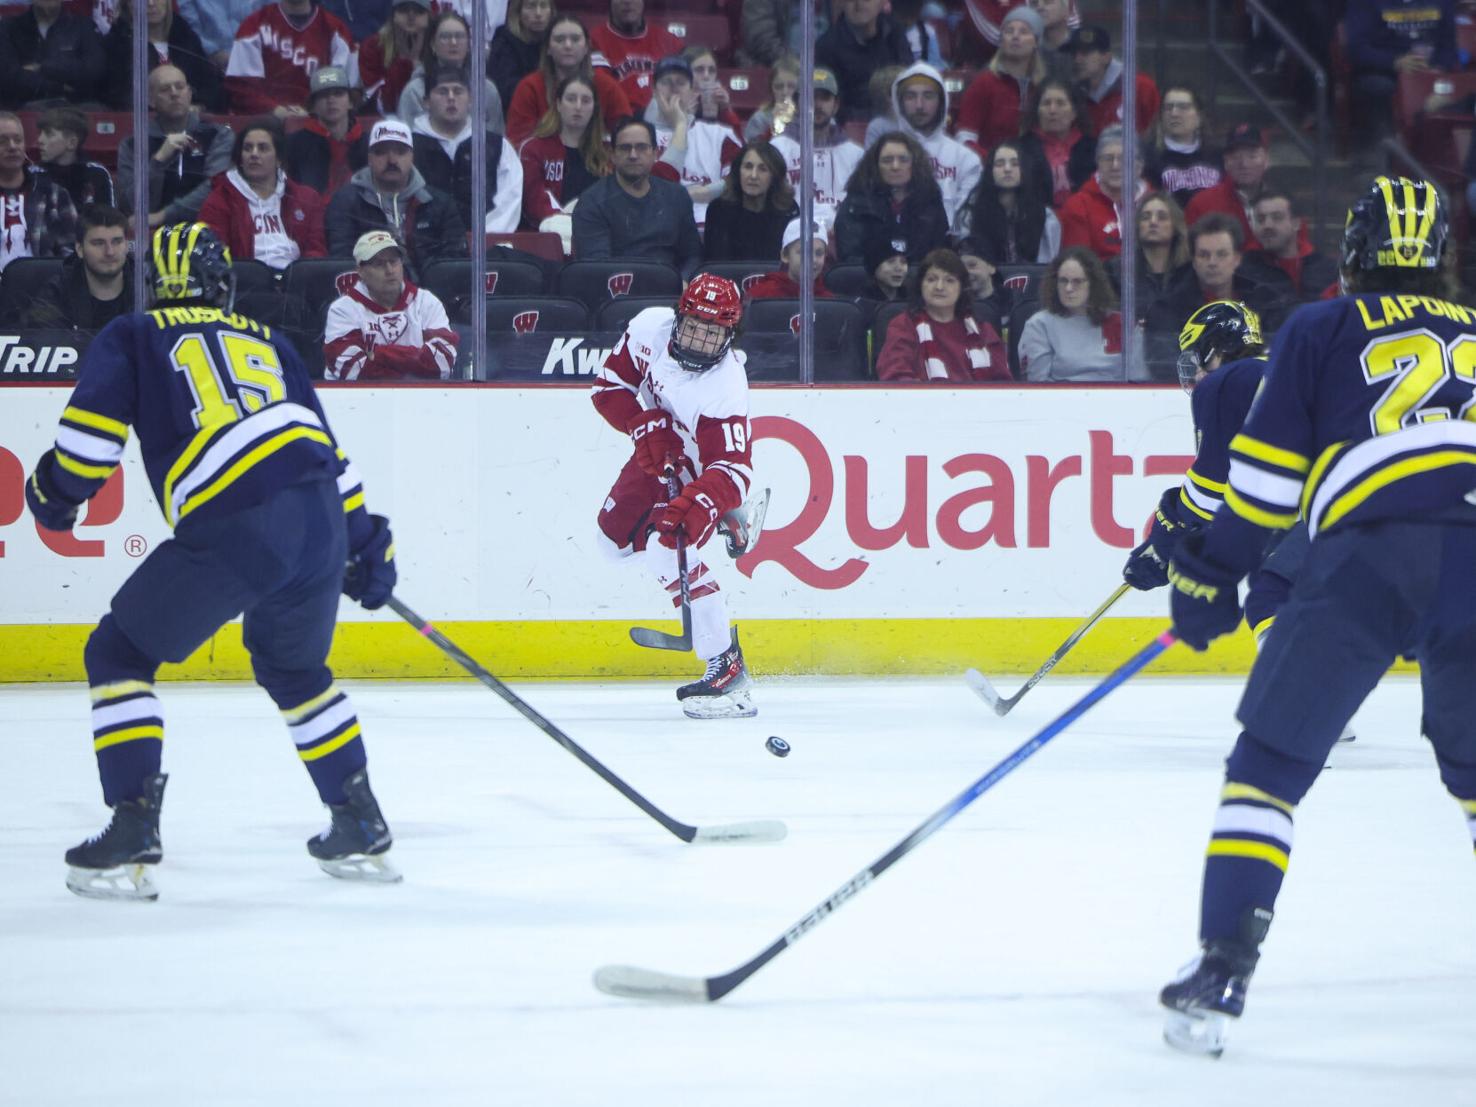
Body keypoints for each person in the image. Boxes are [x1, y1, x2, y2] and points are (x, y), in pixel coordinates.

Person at [1155, 176, 1476, 1056]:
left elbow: (1260, 482)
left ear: (1353, 250)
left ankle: (1223, 971)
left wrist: (1209, 575)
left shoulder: (1322, 326)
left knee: (1269, 765)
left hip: (1372, 552)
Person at [23, 222, 402, 902]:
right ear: (222, 283)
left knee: (118, 653)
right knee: (294, 667)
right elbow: (328, 452)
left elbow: (86, 446)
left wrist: (53, 492)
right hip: (318, 514)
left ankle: (133, 820)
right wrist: (366, 544)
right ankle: (357, 814)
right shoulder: (270, 340)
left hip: (238, 513)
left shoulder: (135, 333)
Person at [591, 273, 758, 719]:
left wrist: (698, 504)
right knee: (612, 544)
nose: (701, 340)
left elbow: (735, 469)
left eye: (714, 332)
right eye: (694, 326)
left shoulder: (723, 389)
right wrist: (643, 423)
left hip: (704, 469)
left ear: (729, 335)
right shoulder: (649, 328)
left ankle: (727, 667)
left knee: (665, 552)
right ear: (678, 316)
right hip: (659, 450)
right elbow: (608, 387)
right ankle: (732, 520)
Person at [1144, 213, 1292, 378]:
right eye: (1204, 255)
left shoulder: (1267, 301)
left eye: (1221, 254)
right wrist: (1194, 374)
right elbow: (1162, 361)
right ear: (1193, 260)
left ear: (1236, 259)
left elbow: (1280, 352)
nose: (1212, 262)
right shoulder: (1167, 308)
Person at [325, 119, 468, 276]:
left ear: (412, 156)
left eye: (400, 152)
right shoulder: (345, 201)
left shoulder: (440, 203)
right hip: (369, 289)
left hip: (430, 292)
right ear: (369, 158)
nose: (392, 160)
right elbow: (342, 259)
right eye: (381, 152)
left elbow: (454, 262)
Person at [572, 116, 702, 279]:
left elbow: (693, 256)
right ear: (612, 155)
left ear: (655, 153)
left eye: (641, 147)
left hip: (671, 293)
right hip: (620, 294)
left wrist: (682, 282)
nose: (633, 155)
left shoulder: (677, 196)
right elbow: (597, 268)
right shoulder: (591, 202)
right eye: (625, 148)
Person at [324, 228, 460, 380]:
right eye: (379, 264)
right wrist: (416, 359)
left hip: (419, 396)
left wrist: (377, 354)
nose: (390, 270)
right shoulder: (343, 309)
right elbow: (351, 370)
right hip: (359, 400)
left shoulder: (426, 302)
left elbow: (443, 362)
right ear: (360, 271)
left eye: (394, 261)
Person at [117, 65, 234, 232]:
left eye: (180, 87)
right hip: (154, 234)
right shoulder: (133, 144)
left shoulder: (218, 135)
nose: (174, 93)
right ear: (151, 100)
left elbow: (216, 188)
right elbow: (131, 204)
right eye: (165, 89)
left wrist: (164, 215)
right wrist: (157, 162)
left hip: (207, 229)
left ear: (189, 93)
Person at [199, 119, 327, 269]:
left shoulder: (306, 198)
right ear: (240, 158)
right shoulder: (220, 199)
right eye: (247, 148)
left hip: (296, 282)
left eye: (263, 148)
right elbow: (214, 253)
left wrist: (301, 275)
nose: (254, 154)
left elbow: (316, 250)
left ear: (278, 158)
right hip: (246, 283)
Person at [409, 65, 523, 233]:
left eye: (458, 91)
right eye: (442, 91)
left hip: (487, 246)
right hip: (425, 245)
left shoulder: (497, 146)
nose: (451, 98)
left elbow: (510, 199)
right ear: (426, 102)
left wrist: (483, 239)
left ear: (470, 99)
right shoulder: (409, 146)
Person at [876, 247, 1010, 382]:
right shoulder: (904, 325)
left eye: (949, 280)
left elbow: (1003, 383)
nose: (939, 287)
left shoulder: (983, 330)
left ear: (962, 288)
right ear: (920, 285)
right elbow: (895, 377)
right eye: (931, 279)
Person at [1017, 245, 1146, 381]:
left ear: (1093, 283)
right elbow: (1037, 385)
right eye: (1063, 281)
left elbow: (1138, 380)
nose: (1068, 288)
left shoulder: (1123, 323)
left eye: (1077, 281)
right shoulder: (1039, 325)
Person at [643, 54, 742, 227]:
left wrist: (705, 192)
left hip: (708, 228)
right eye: (666, 82)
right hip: (656, 228)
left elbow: (740, 178)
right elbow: (651, 188)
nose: (674, 89)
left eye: (681, 83)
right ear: (654, 91)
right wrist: (681, 123)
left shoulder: (719, 134)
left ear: (692, 91)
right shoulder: (638, 136)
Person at [506, 14, 632, 146]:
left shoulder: (606, 85)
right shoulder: (530, 87)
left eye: (575, 39)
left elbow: (626, 133)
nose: (567, 45)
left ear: (586, 47)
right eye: (559, 40)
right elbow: (518, 142)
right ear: (548, 48)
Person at [1346, 0, 1458, 147]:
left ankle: (1435, 157)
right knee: (1380, 87)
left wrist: (1438, 68)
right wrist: (1395, 62)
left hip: (1431, 73)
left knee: (1457, 91)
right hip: (1383, 71)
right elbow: (1356, 49)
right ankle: (1390, 153)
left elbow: (1449, 46)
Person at [889, 62, 983, 230]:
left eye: (928, 96)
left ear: (942, 101)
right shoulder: (882, 156)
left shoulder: (965, 159)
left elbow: (966, 220)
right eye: (910, 96)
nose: (919, 105)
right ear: (899, 102)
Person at [519, 74, 612, 240]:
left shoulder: (609, 152)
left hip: (596, 238)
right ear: (558, 104)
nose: (578, 107)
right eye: (571, 99)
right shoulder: (533, 149)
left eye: (585, 101)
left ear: (594, 108)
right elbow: (534, 202)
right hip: (548, 238)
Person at [834, 131, 949, 266]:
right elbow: (850, 256)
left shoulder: (931, 202)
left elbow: (939, 255)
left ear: (915, 164)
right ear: (876, 165)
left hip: (919, 281)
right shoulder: (856, 203)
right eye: (887, 160)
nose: (895, 166)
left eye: (903, 160)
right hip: (868, 280)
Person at [225, 0, 355, 119]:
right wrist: (274, 110)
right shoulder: (254, 25)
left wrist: (312, 114)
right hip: (265, 123)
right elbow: (241, 86)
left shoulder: (335, 29)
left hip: (319, 125)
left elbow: (346, 89)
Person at [769, 67, 863, 228]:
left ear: (836, 104)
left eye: (825, 98)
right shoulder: (777, 149)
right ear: (797, 103)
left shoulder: (856, 154)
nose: (818, 104)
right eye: (811, 97)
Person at [1185, 124, 1299, 254]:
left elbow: (1300, 250)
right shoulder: (1201, 204)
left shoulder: (1284, 201)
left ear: (1267, 160)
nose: (1244, 164)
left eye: (1252, 156)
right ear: (1225, 162)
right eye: (1235, 157)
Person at [25, 203, 132, 331]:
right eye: (98, 243)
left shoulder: (147, 287)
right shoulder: (56, 293)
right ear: (79, 249)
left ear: (126, 245)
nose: (110, 252)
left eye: (117, 242)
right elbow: (43, 340)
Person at [954, 6, 1050, 149]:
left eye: (1023, 31)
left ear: (1036, 41)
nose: (1015, 36)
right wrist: (990, 163)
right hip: (991, 165)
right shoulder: (984, 83)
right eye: (1009, 31)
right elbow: (965, 137)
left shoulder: (1045, 86)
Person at [397, 11, 507, 134]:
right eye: (445, 37)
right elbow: (406, 140)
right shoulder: (415, 91)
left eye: (459, 36)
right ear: (433, 44)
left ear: (468, 43)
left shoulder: (486, 90)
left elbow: (498, 138)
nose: (453, 42)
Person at [954, 139, 1060, 264]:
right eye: (1000, 164)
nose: (1007, 169)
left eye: (1015, 164)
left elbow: (1046, 267)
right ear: (990, 170)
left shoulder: (1044, 216)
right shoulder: (970, 215)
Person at [101, 0, 220, 111]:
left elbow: (211, 88)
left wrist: (199, 106)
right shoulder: (116, 45)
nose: (151, 3)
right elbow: (120, 97)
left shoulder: (186, 38)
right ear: (127, 4)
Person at [1057, 125, 1150, 261]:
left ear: (1139, 166)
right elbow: (1079, 263)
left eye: (1123, 159)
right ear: (1098, 164)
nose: (1115, 166)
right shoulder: (1078, 206)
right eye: (1108, 158)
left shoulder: (1155, 203)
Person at [0, 112, 77, 274]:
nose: (12, 146)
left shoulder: (54, 194)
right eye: (3, 141)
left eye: (18, 140)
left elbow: (71, 252)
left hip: (42, 291)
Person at [814, 0, 912, 123]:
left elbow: (909, 80)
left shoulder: (895, 32)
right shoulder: (826, 46)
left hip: (898, 121)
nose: (858, 3)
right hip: (851, 129)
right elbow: (832, 104)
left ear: (882, 2)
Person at [702, 140, 797, 263]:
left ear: (774, 176)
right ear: (738, 171)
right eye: (748, 167)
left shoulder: (788, 211)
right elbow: (714, 265)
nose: (753, 175)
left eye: (762, 169)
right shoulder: (718, 210)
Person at [1106, 191, 1193, 325]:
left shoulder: (1190, 272)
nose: (1153, 222)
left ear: (1175, 225)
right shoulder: (1117, 271)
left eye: (1162, 217)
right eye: (1146, 217)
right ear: (1138, 226)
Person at [0, 0, 106, 108]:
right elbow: (8, 77)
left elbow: (93, 72)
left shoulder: (84, 27)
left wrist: (42, 67)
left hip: (75, 111)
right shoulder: (8, 28)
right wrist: (60, 87)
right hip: (23, 112)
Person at [1243, 189, 1339, 304]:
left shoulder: (1327, 269)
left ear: (1296, 223)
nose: (1267, 225)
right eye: (1260, 219)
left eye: (1277, 217)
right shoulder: (1245, 272)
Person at [285, 65, 368, 196]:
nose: (331, 100)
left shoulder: (368, 143)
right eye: (323, 95)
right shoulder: (293, 144)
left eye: (338, 94)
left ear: (351, 102)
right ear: (312, 106)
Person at [1064, 24, 1159, 137]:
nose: (1077, 59)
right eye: (1074, 53)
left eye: (1085, 53)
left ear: (1106, 57)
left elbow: (1154, 134)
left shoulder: (1141, 87)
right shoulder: (1073, 93)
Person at [1015, 77, 1095, 210]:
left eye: (1060, 103)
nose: (1052, 110)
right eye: (1046, 103)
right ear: (1037, 111)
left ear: (1074, 112)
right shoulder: (1021, 149)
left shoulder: (1091, 149)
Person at [591, 0, 682, 111]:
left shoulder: (670, 42)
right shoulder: (595, 40)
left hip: (664, 119)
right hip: (616, 121)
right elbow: (600, 92)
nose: (627, 2)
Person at [1144, 85, 1221, 211]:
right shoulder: (1149, 159)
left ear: (1199, 116)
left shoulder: (1217, 157)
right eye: (1168, 108)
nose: (1174, 113)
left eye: (1183, 107)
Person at [358, 0, 431, 117]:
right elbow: (383, 105)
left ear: (429, 17)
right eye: (404, 9)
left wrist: (416, 62)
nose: (411, 16)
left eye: (419, 11)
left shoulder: (436, 46)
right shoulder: (373, 46)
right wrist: (404, 62)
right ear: (393, 15)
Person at [35, 105, 115, 212]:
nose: (40, 140)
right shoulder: (33, 174)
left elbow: (108, 221)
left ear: (72, 143)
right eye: (40, 133)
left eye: (49, 134)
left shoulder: (97, 174)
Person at [743, 216, 832, 300]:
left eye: (819, 253)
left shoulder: (829, 301)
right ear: (785, 255)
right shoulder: (760, 296)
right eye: (804, 252)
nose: (813, 260)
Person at [489, 0, 553, 112]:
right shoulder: (505, 42)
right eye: (531, 6)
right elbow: (507, 90)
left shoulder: (557, 38)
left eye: (543, 6)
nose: (538, 13)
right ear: (517, 12)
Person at [743, 55, 800, 143]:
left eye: (791, 86)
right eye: (779, 86)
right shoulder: (759, 120)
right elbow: (751, 152)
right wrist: (775, 125)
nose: (785, 92)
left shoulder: (810, 118)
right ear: (771, 88)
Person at [859, 231, 910, 303]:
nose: (899, 268)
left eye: (903, 262)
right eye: (891, 261)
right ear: (874, 267)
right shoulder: (861, 304)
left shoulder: (913, 301)